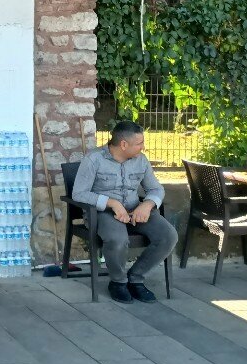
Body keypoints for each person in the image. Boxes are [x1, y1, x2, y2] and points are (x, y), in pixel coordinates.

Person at [72, 120, 177, 304]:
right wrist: (111, 203)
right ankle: (118, 282)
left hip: (136, 210)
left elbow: (156, 189)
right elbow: (79, 193)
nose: (143, 147)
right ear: (123, 144)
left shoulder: (141, 161)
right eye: (139, 143)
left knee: (169, 236)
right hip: (103, 213)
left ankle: (136, 278)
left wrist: (148, 204)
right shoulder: (93, 160)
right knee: (118, 239)